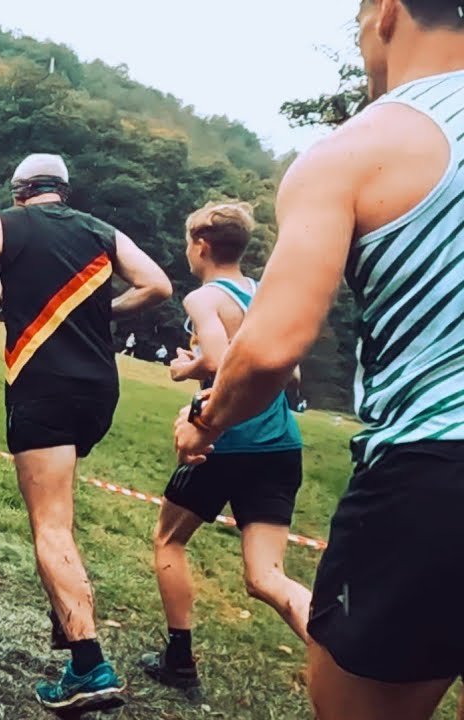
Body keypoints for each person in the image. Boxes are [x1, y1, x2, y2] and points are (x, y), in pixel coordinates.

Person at [173, 2, 464, 719]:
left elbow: (271, 347)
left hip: (435, 468)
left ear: (388, 12)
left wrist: (204, 423)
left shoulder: (359, 148)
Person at [0, 153, 171, 712]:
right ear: (63, 191)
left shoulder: (1, 224)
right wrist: (105, 314)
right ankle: (64, 613)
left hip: (41, 383)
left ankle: (88, 663)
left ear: (20, 190)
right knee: (59, 509)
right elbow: (158, 285)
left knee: (51, 525)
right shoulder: (102, 230)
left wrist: (5, 303)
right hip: (100, 390)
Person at [142, 202, 309, 695]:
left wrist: (186, 368)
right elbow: (291, 374)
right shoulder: (263, 294)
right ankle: (339, 649)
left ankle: (179, 664)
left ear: (202, 246)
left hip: (224, 441)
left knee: (168, 541)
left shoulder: (204, 298)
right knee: (266, 576)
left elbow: (218, 358)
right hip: (280, 447)